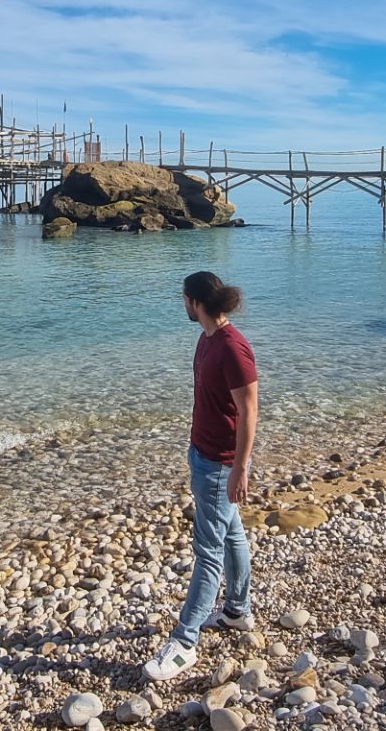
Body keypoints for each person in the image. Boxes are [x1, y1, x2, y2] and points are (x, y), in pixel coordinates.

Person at [144, 270, 259, 681]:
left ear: (195, 302)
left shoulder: (232, 348)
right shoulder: (208, 338)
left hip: (219, 462)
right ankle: (237, 612)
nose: (182, 305)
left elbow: (249, 411)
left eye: (183, 299)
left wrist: (239, 468)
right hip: (203, 454)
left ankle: (185, 642)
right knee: (232, 535)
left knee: (208, 550)